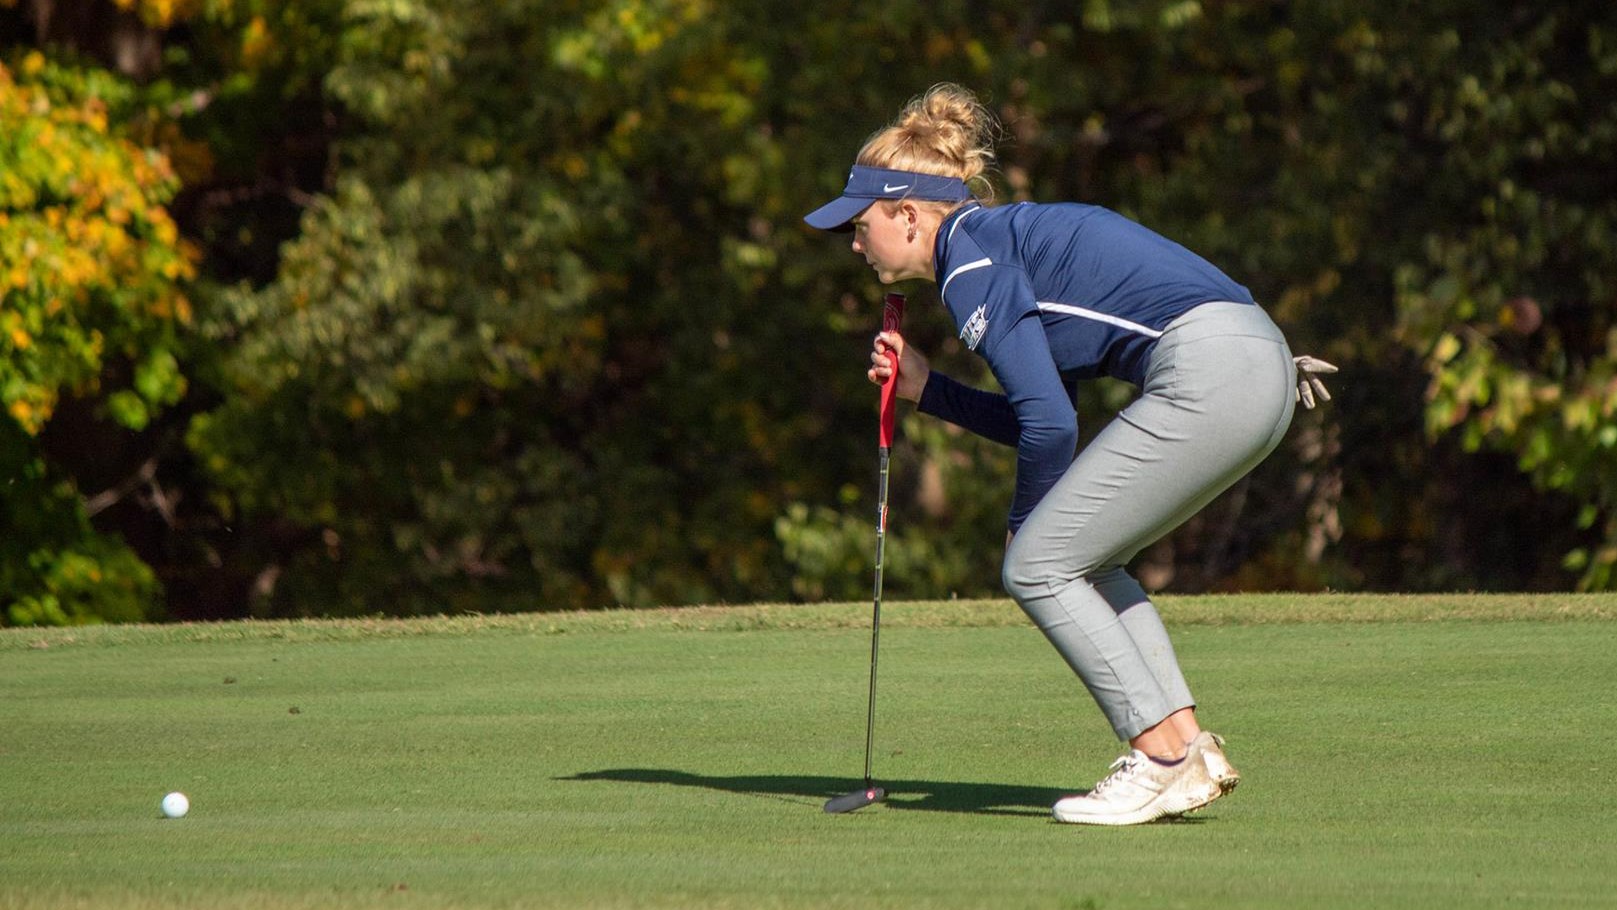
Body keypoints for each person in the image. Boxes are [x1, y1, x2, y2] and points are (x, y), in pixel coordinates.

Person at [804, 84, 1335, 826]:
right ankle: (1188, 747)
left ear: (906, 213)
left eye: (858, 227)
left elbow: (1050, 427)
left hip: (1214, 373)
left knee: (1036, 564)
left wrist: (1025, 519)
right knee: (1089, 557)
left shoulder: (968, 266)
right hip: (1261, 369)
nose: (854, 245)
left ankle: (1157, 758)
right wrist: (931, 392)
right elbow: (1044, 420)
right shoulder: (999, 241)